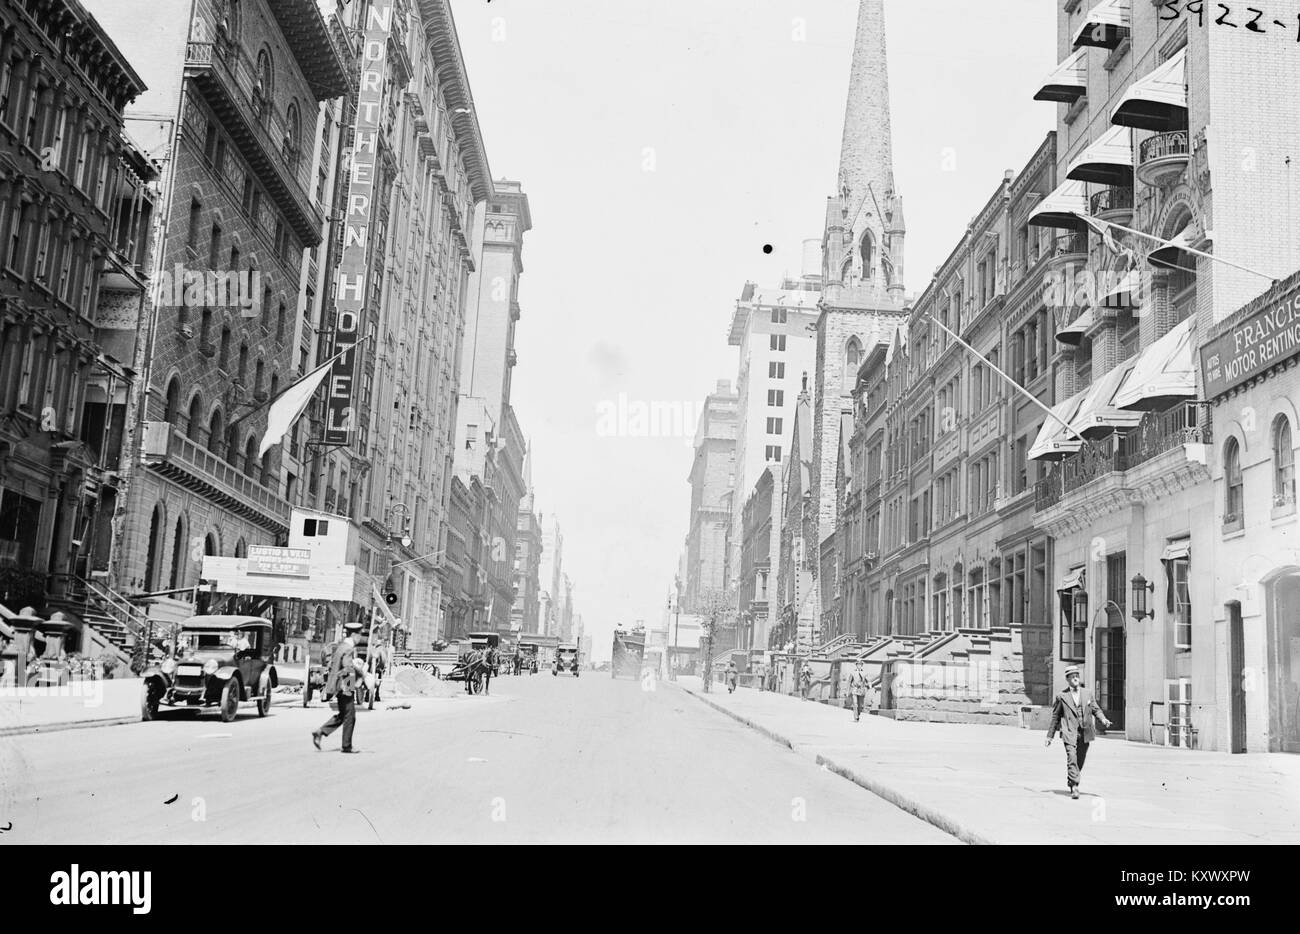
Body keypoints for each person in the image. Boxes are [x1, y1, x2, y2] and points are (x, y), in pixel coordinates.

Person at [1045, 665, 1112, 799]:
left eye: (1077, 676)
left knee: (1080, 760)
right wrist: (1049, 736)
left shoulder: (1087, 693)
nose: (1075, 678)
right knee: (1072, 757)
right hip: (1069, 731)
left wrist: (1103, 719)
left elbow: (1095, 709)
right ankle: (1075, 786)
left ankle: (1071, 779)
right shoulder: (1062, 696)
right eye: (1072, 676)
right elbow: (1055, 717)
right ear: (1067, 679)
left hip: (1085, 732)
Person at [313, 622, 363, 754]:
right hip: (344, 686)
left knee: (343, 715)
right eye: (359, 635)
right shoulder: (348, 649)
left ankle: (320, 732)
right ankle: (347, 746)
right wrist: (350, 688)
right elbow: (347, 668)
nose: (360, 638)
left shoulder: (341, 647)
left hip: (337, 685)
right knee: (350, 716)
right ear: (353, 634)